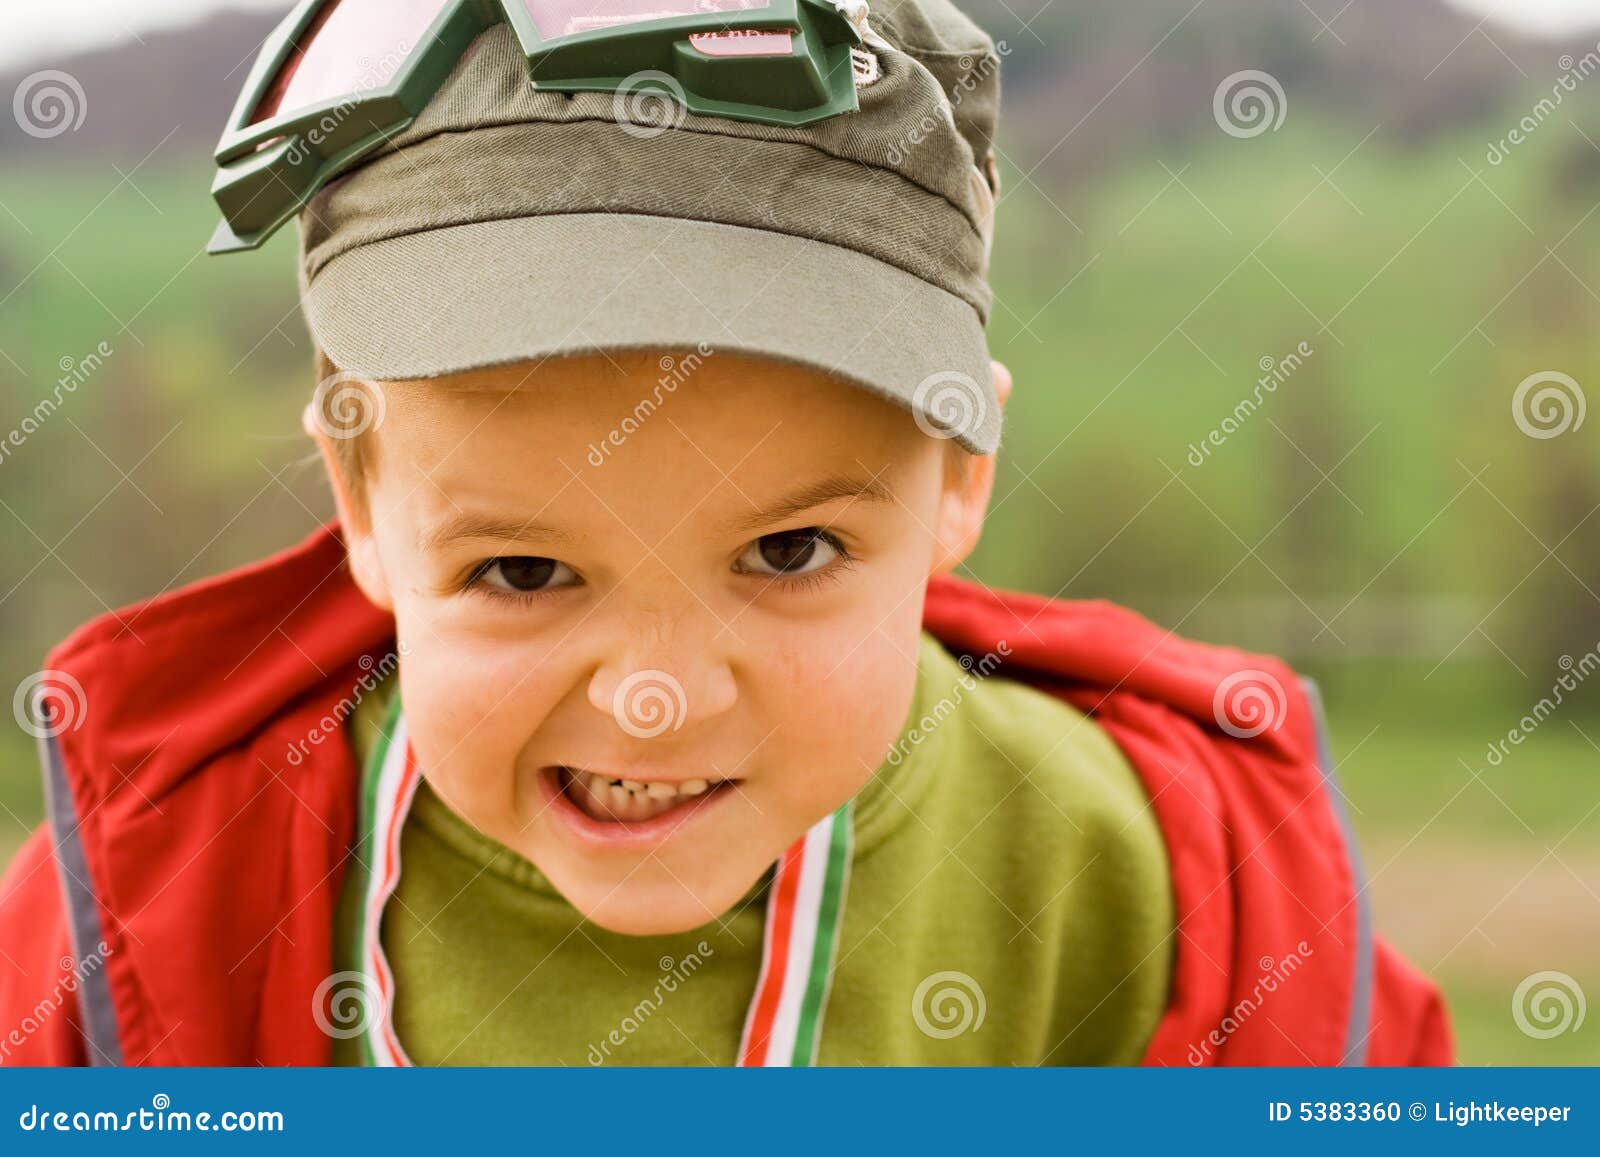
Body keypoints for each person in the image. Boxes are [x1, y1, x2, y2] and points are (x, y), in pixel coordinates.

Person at [0, 0, 1450, 1066]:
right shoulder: (146, 905)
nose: (655, 694)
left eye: (789, 552)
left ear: (959, 467)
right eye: (522, 569)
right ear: (361, 501)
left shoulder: (1169, 885)